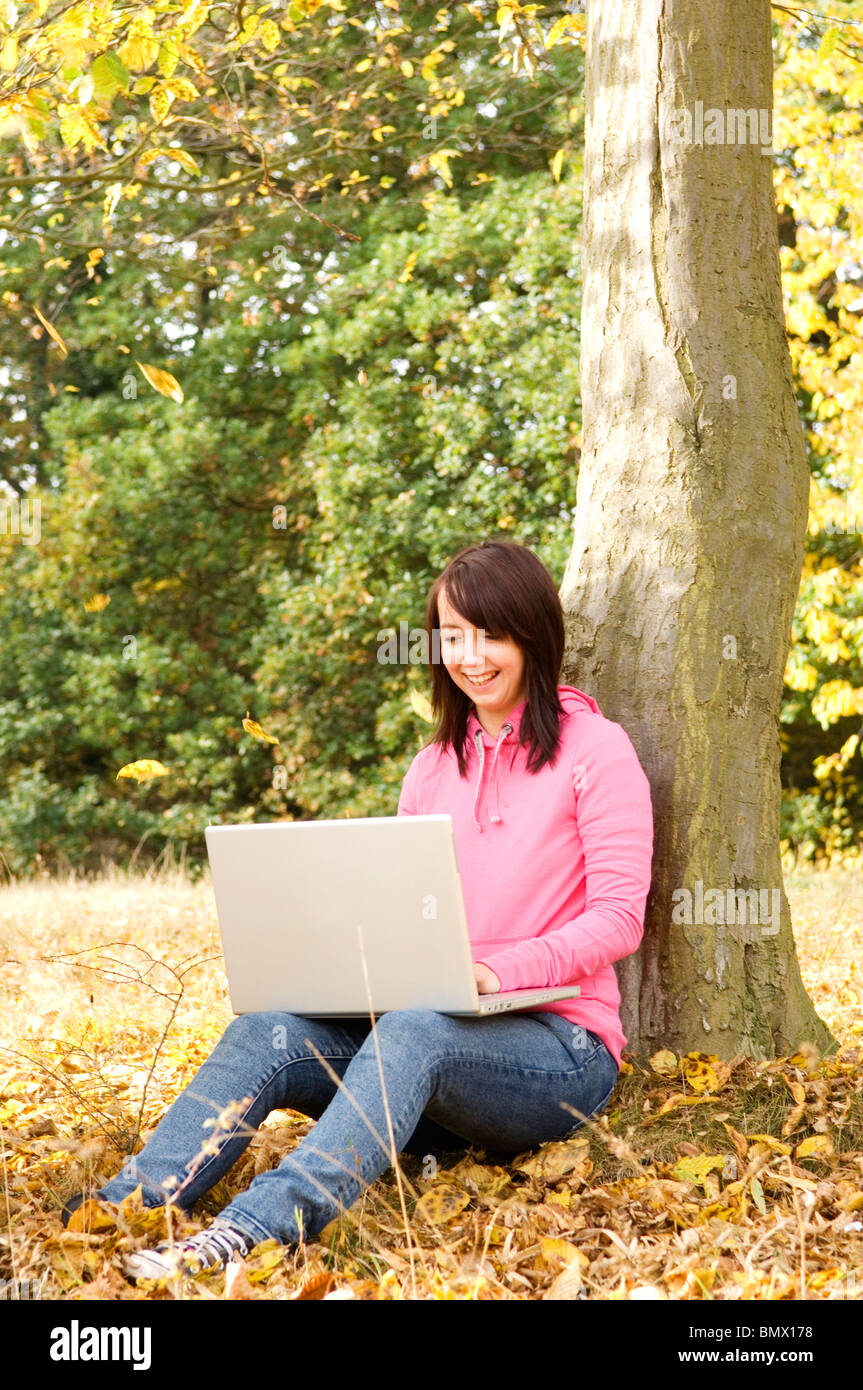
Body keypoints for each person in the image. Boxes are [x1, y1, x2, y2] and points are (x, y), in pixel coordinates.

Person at [61, 538, 654, 1280]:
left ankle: (251, 1229)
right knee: (269, 1029)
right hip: (422, 1056)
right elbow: (400, 911)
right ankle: (127, 1205)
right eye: (453, 636)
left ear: (534, 635)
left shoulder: (595, 750)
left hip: (558, 1052)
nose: (470, 657)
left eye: (491, 635)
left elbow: (619, 917)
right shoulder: (433, 767)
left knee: (413, 1030)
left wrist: (492, 973)